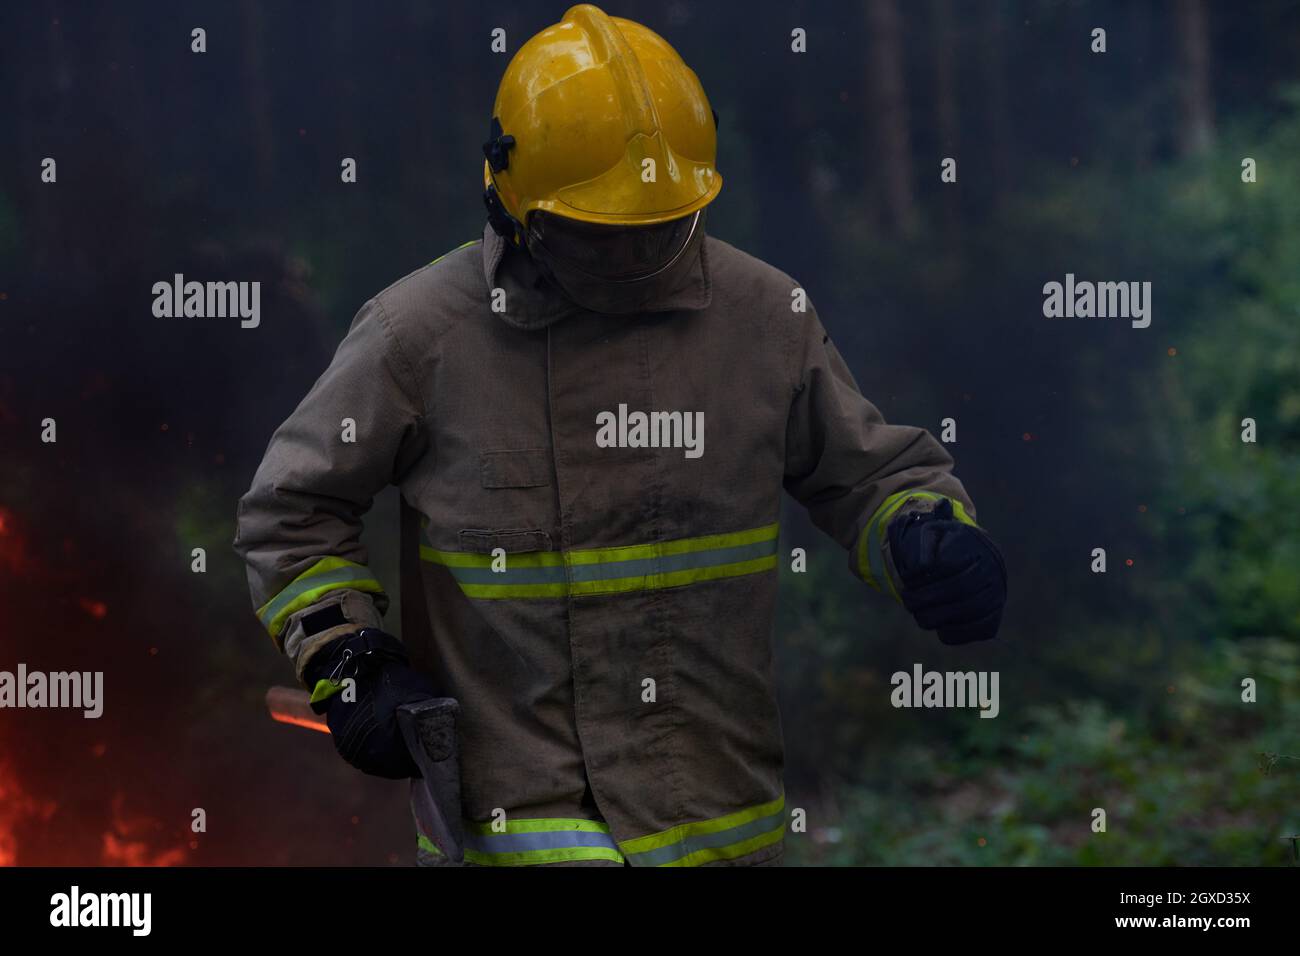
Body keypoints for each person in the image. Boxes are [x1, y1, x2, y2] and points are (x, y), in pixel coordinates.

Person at [234, 3, 1007, 867]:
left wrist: (926, 538)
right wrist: (350, 658)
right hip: (518, 833)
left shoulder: (762, 318)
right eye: (598, 241)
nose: (633, 269)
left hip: (724, 832)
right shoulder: (420, 335)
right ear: (511, 204)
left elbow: (868, 475)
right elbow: (292, 510)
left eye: (658, 235)